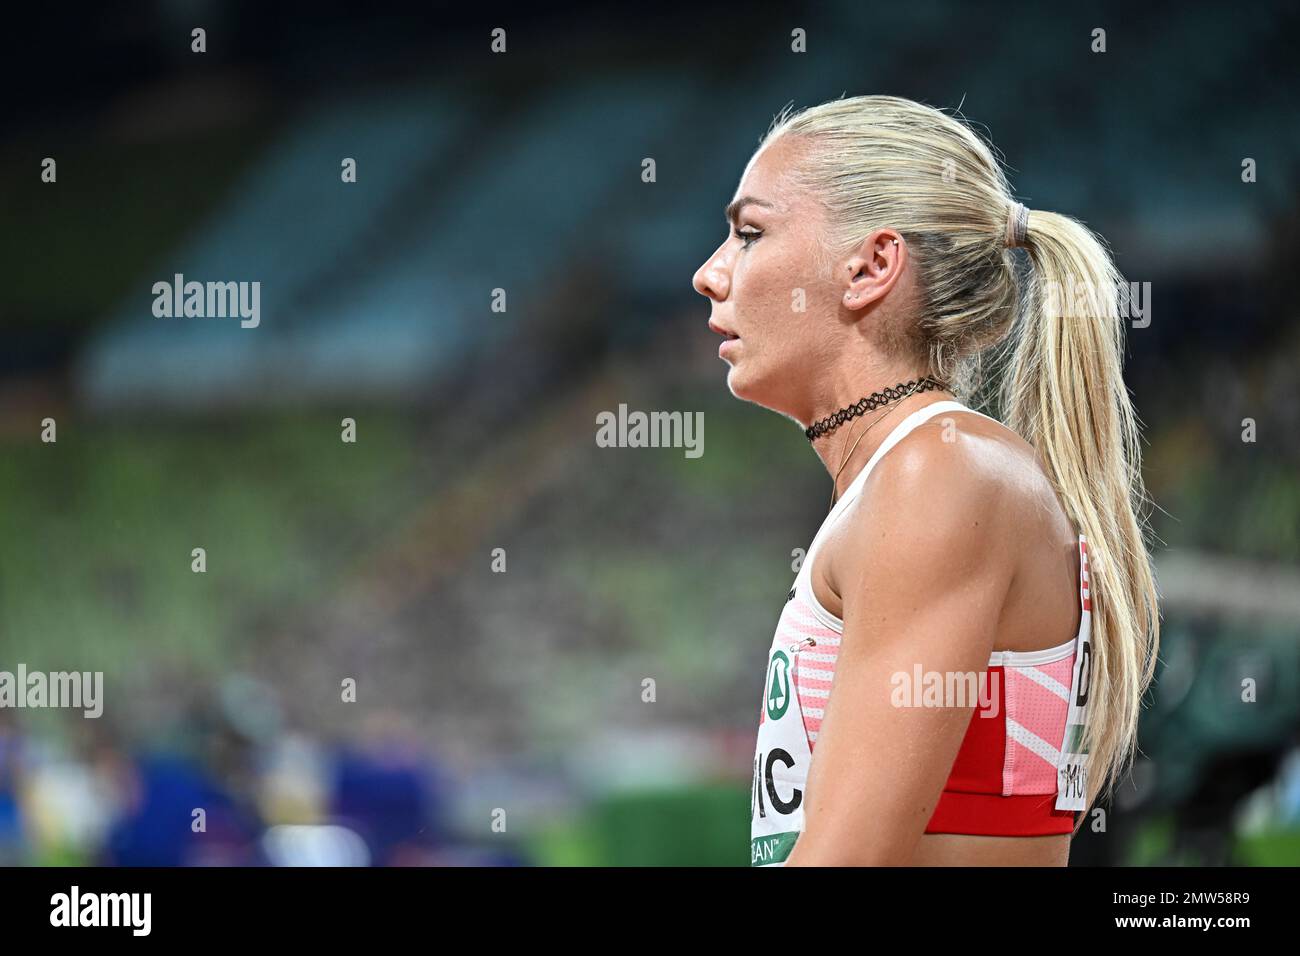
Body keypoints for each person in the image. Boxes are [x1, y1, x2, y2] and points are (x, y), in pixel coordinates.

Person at [692, 95, 1160, 866]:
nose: (711, 274)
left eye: (750, 233)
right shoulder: (918, 473)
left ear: (871, 266)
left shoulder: (937, 474)